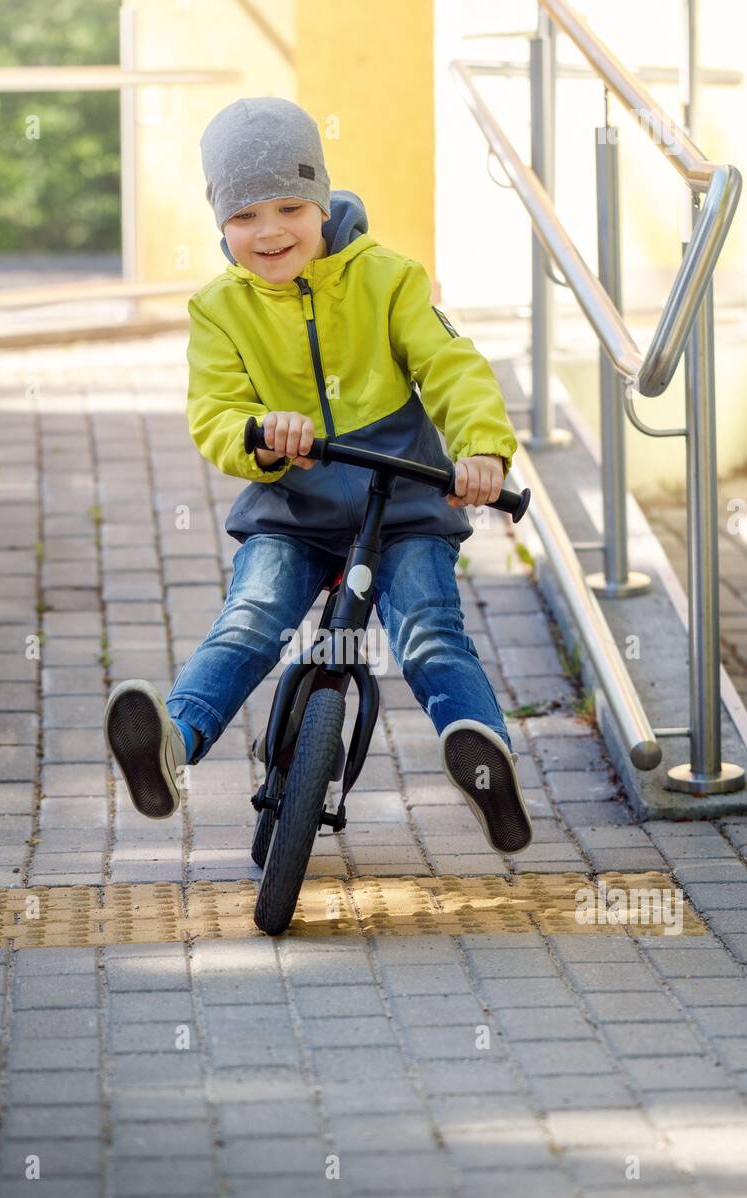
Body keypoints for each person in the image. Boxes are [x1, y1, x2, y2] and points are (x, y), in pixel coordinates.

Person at [103, 96, 532, 855]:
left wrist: (484, 454)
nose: (268, 232)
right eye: (244, 217)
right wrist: (262, 436)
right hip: (293, 508)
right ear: (220, 226)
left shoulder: (390, 279)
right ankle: (173, 742)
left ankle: (482, 757)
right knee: (251, 618)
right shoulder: (219, 309)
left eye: (288, 207)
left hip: (400, 502)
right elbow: (214, 409)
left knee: (430, 628)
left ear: (322, 200)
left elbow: (452, 368)